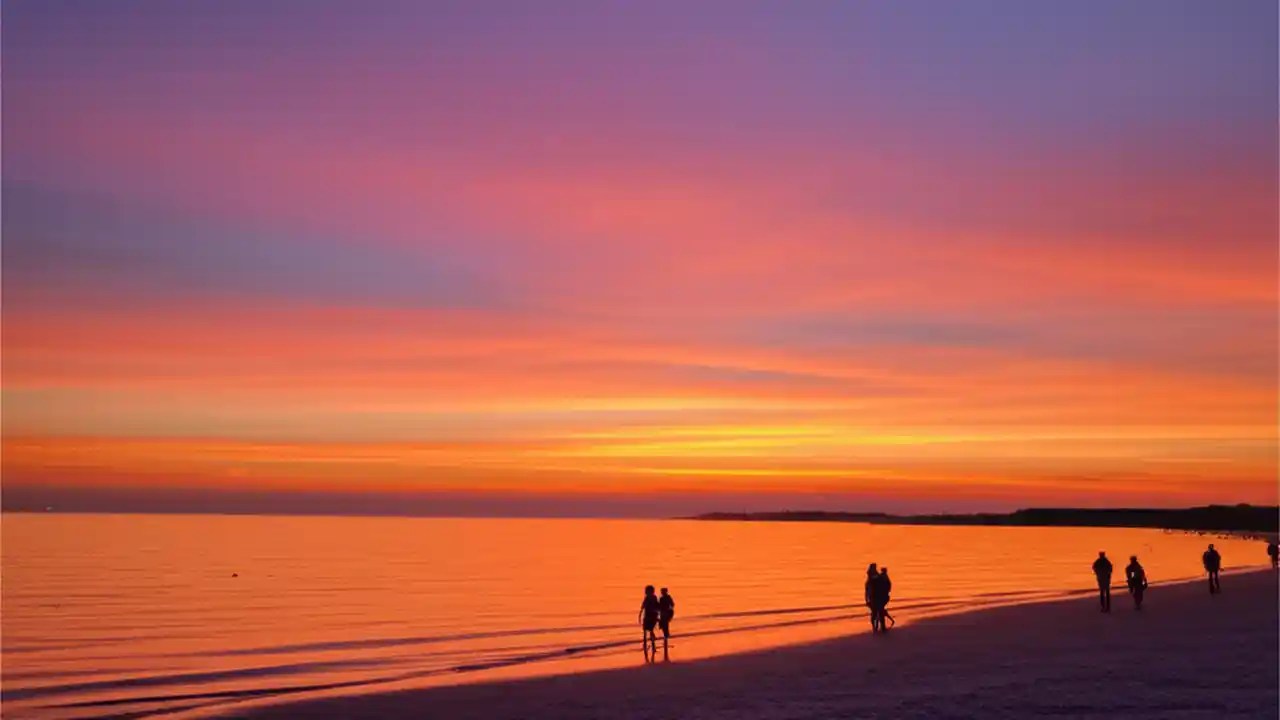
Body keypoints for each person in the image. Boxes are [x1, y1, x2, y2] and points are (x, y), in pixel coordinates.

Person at [638, 585, 661, 660]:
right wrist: (640, 615)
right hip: (648, 617)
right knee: (645, 632)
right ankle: (646, 646)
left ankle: (653, 647)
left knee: (649, 631)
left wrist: (658, 616)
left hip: (652, 617)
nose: (646, 592)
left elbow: (657, 607)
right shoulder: (648, 598)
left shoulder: (653, 598)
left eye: (647, 591)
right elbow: (642, 607)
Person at [658, 587, 676, 660]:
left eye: (663, 591)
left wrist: (669, 610)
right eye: (662, 591)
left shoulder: (667, 598)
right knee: (663, 624)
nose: (662, 593)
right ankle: (666, 636)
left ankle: (666, 636)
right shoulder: (662, 598)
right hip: (664, 613)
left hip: (667, 613)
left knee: (664, 624)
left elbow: (672, 605)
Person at [864, 563, 881, 632]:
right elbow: (867, 590)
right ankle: (875, 626)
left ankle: (875, 625)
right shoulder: (872, 576)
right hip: (873, 596)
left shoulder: (874, 575)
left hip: (874, 596)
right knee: (875, 612)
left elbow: (867, 590)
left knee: (875, 612)